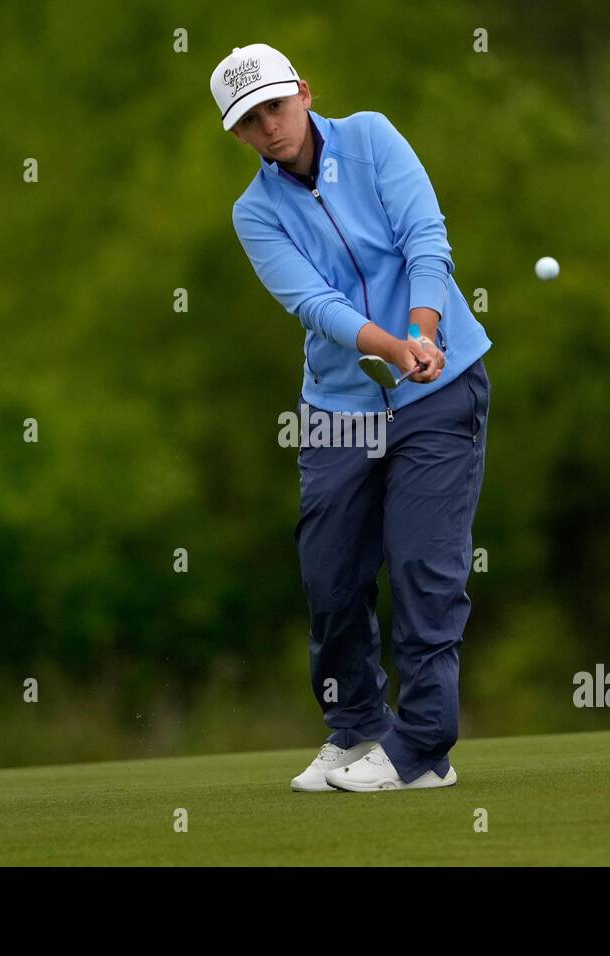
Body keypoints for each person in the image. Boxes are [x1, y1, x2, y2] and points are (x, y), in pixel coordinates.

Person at [211, 43, 492, 792]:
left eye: (274, 106)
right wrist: (390, 348)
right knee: (329, 576)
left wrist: (424, 333)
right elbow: (316, 306)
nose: (268, 127)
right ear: (236, 134)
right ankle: (358, 726)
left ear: (303, 91)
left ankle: (423, 748)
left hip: (440, 386)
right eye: (248, 120)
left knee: (422, 568)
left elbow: (424, 237)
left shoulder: (370, 137)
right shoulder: (253, 212)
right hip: (340, 404)